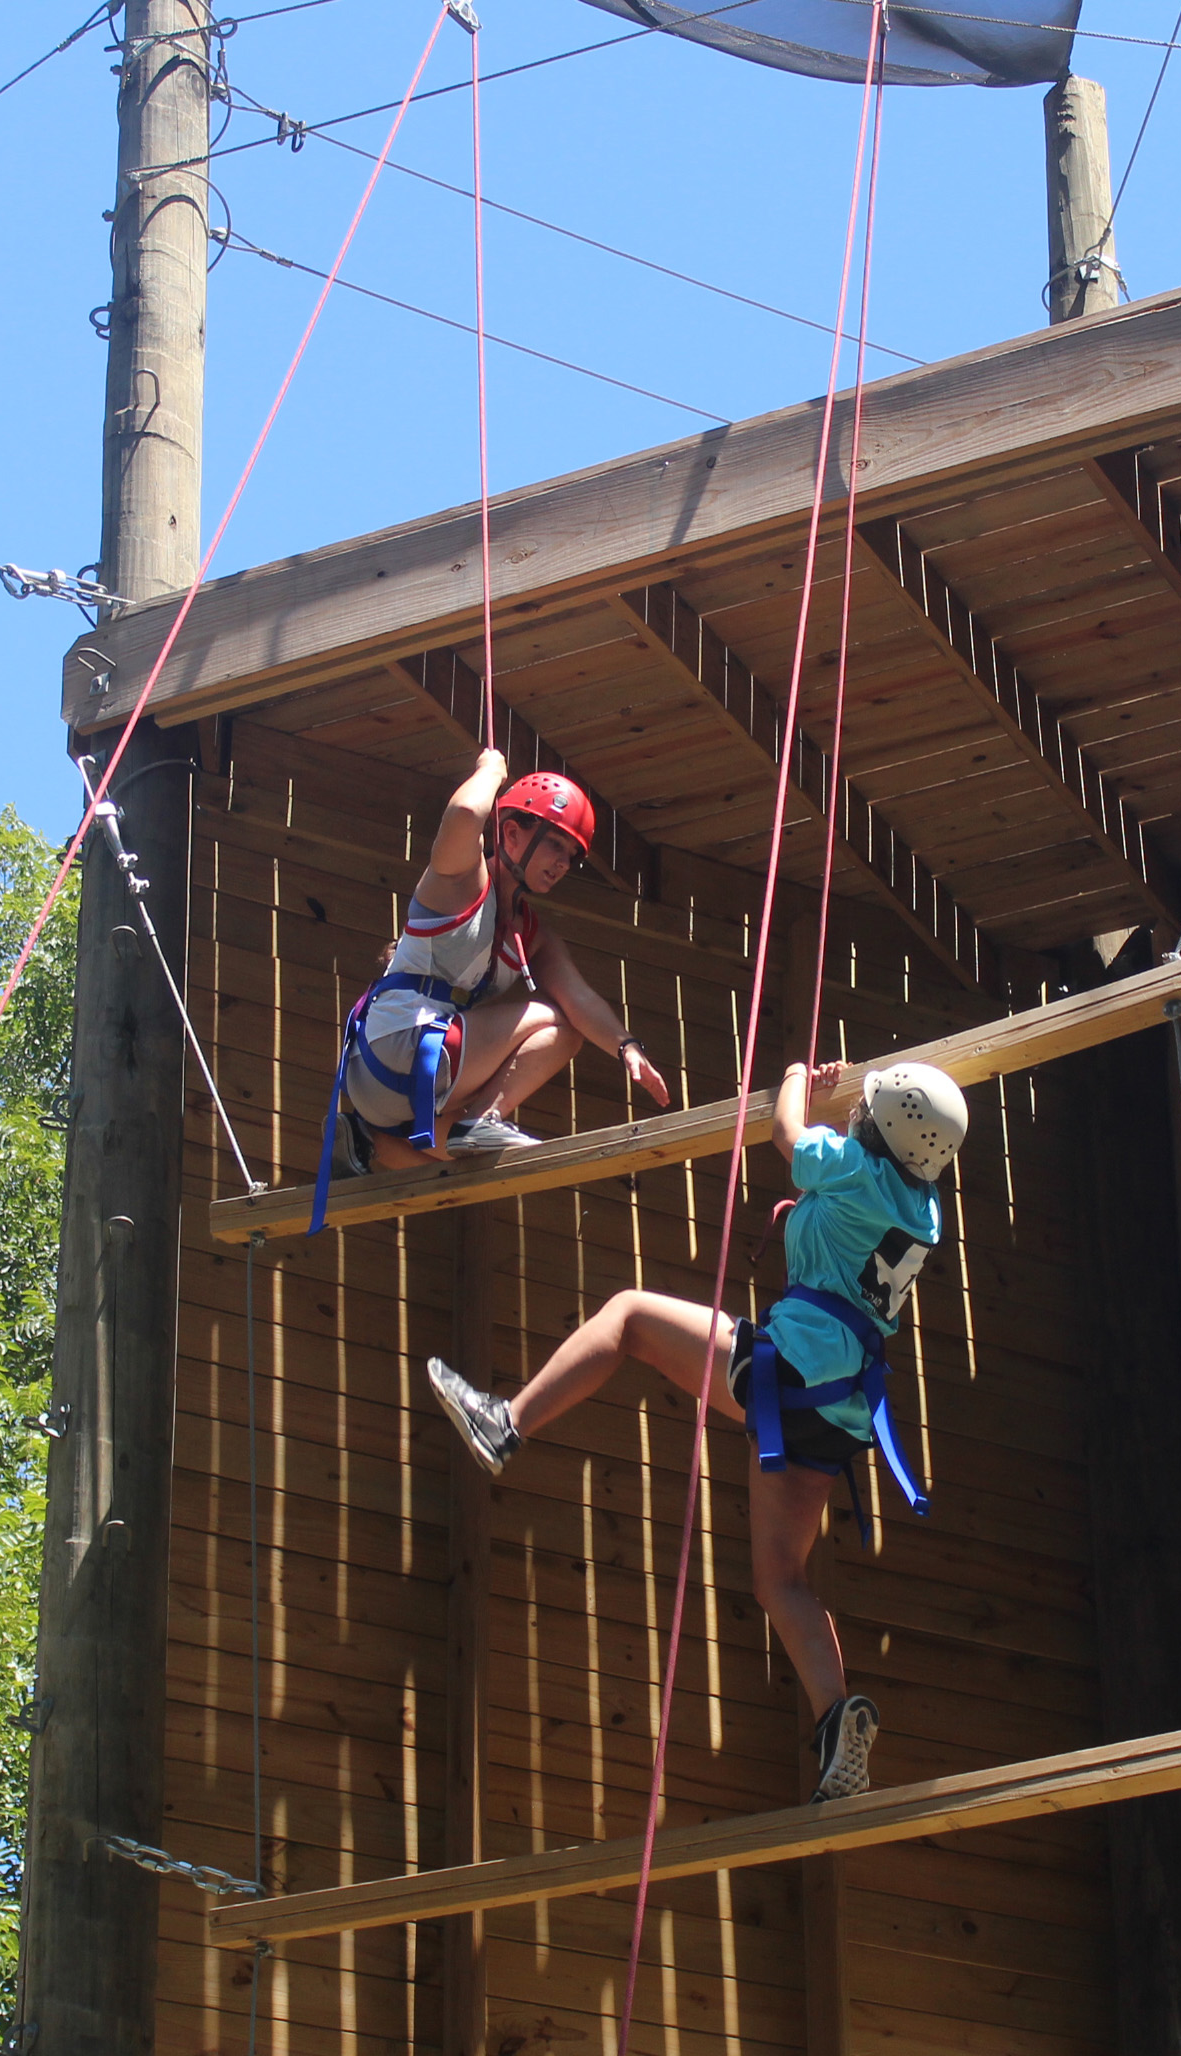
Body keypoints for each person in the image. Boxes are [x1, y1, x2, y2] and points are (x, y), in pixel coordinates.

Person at [426, 1054, 970, 1804]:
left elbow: (786, 1132)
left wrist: (797, 1076)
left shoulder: (849, 1168)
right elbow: (855, 1201)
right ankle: (836, 1721)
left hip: (794, 1372)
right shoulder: (922, 1208)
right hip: (840, 1412)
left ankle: (506, 1423)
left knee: (629, 1317)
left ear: (877, 1126)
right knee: (780, 1579)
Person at [312, 749, 671, 1227]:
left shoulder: (532, 933)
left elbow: (581, 997)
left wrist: (626, 1046)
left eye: (571, 856)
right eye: (555, 844)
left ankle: (366, 1140)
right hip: (402, 1045)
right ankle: (480, 1120)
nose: (562, 863)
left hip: (390, 1087)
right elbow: (465, 812)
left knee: (468, 1174)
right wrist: (492, 770)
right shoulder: (461, 880)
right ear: (511, 833)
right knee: (556, 1023)